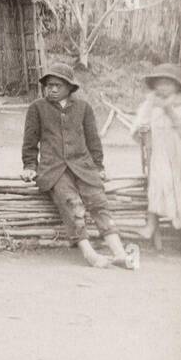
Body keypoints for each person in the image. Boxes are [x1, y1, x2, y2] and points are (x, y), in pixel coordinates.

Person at [22, 64, 134, 269]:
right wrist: (30, 166)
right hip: (54, 169)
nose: (52, 89)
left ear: (69, 87)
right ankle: (89, 253)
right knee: (72, 203)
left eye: (57, 85)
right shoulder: (37, 108)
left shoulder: (83, 108)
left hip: (83, 167)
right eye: (49, 85)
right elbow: (30, 142)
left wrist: (98, 166)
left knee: (98, 200)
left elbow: (93, 141)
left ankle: (118, 252)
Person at [130, 63, 181, 247]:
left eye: (168, 83)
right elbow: (138, 128)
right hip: (160, 153)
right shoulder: (150, 103)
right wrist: (143, 129)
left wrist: (170, 112)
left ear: (178, 85)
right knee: (157, 185)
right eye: (159, 83)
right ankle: (151, 225)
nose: (163, 87)